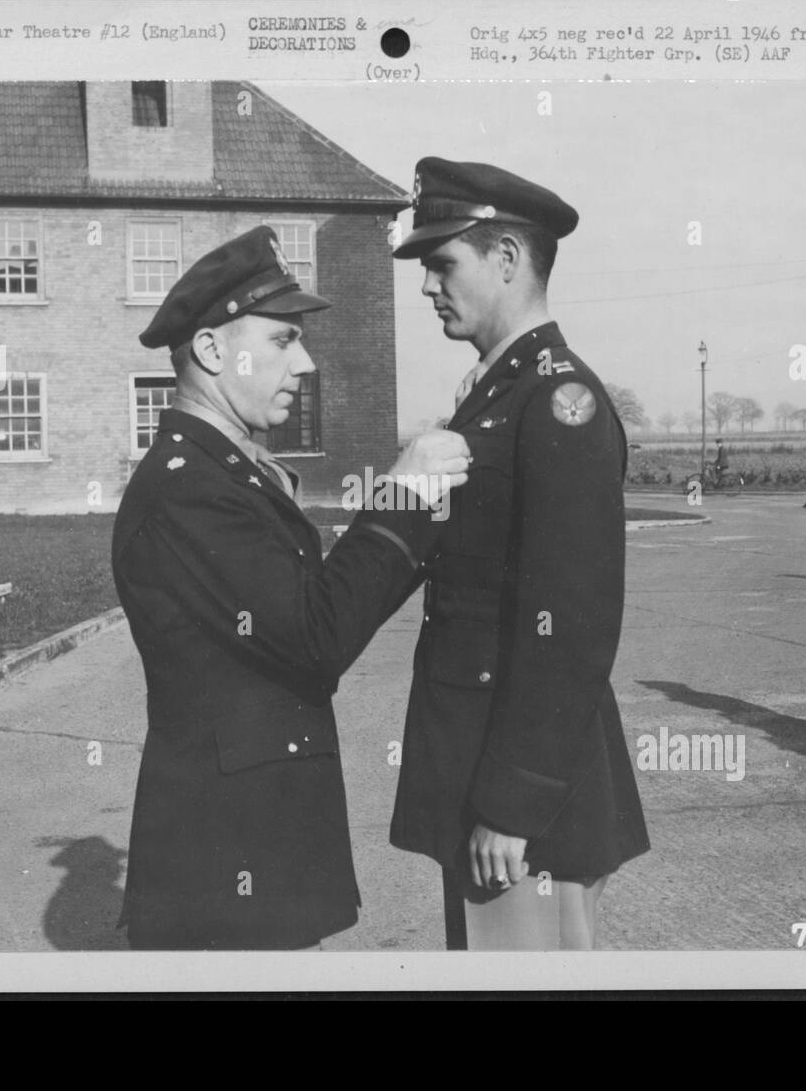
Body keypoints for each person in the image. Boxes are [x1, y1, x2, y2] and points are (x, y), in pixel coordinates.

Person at [112, 225, 469, 950]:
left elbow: (312, 606)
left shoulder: (222, 471)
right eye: (282, 341)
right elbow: (317, 635)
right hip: (228, 858)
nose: (304, 363)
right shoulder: (191, 493)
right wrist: (404, 497)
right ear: (212, 351)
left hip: (254, 839)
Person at [387, 158, 651, 950]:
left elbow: (570, 621)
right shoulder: (499, 393)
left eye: (442, 263)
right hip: (488, 778)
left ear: (506, 260)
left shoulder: (557, 401)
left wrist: (512, 802)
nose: (429, 285)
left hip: (522, 814)